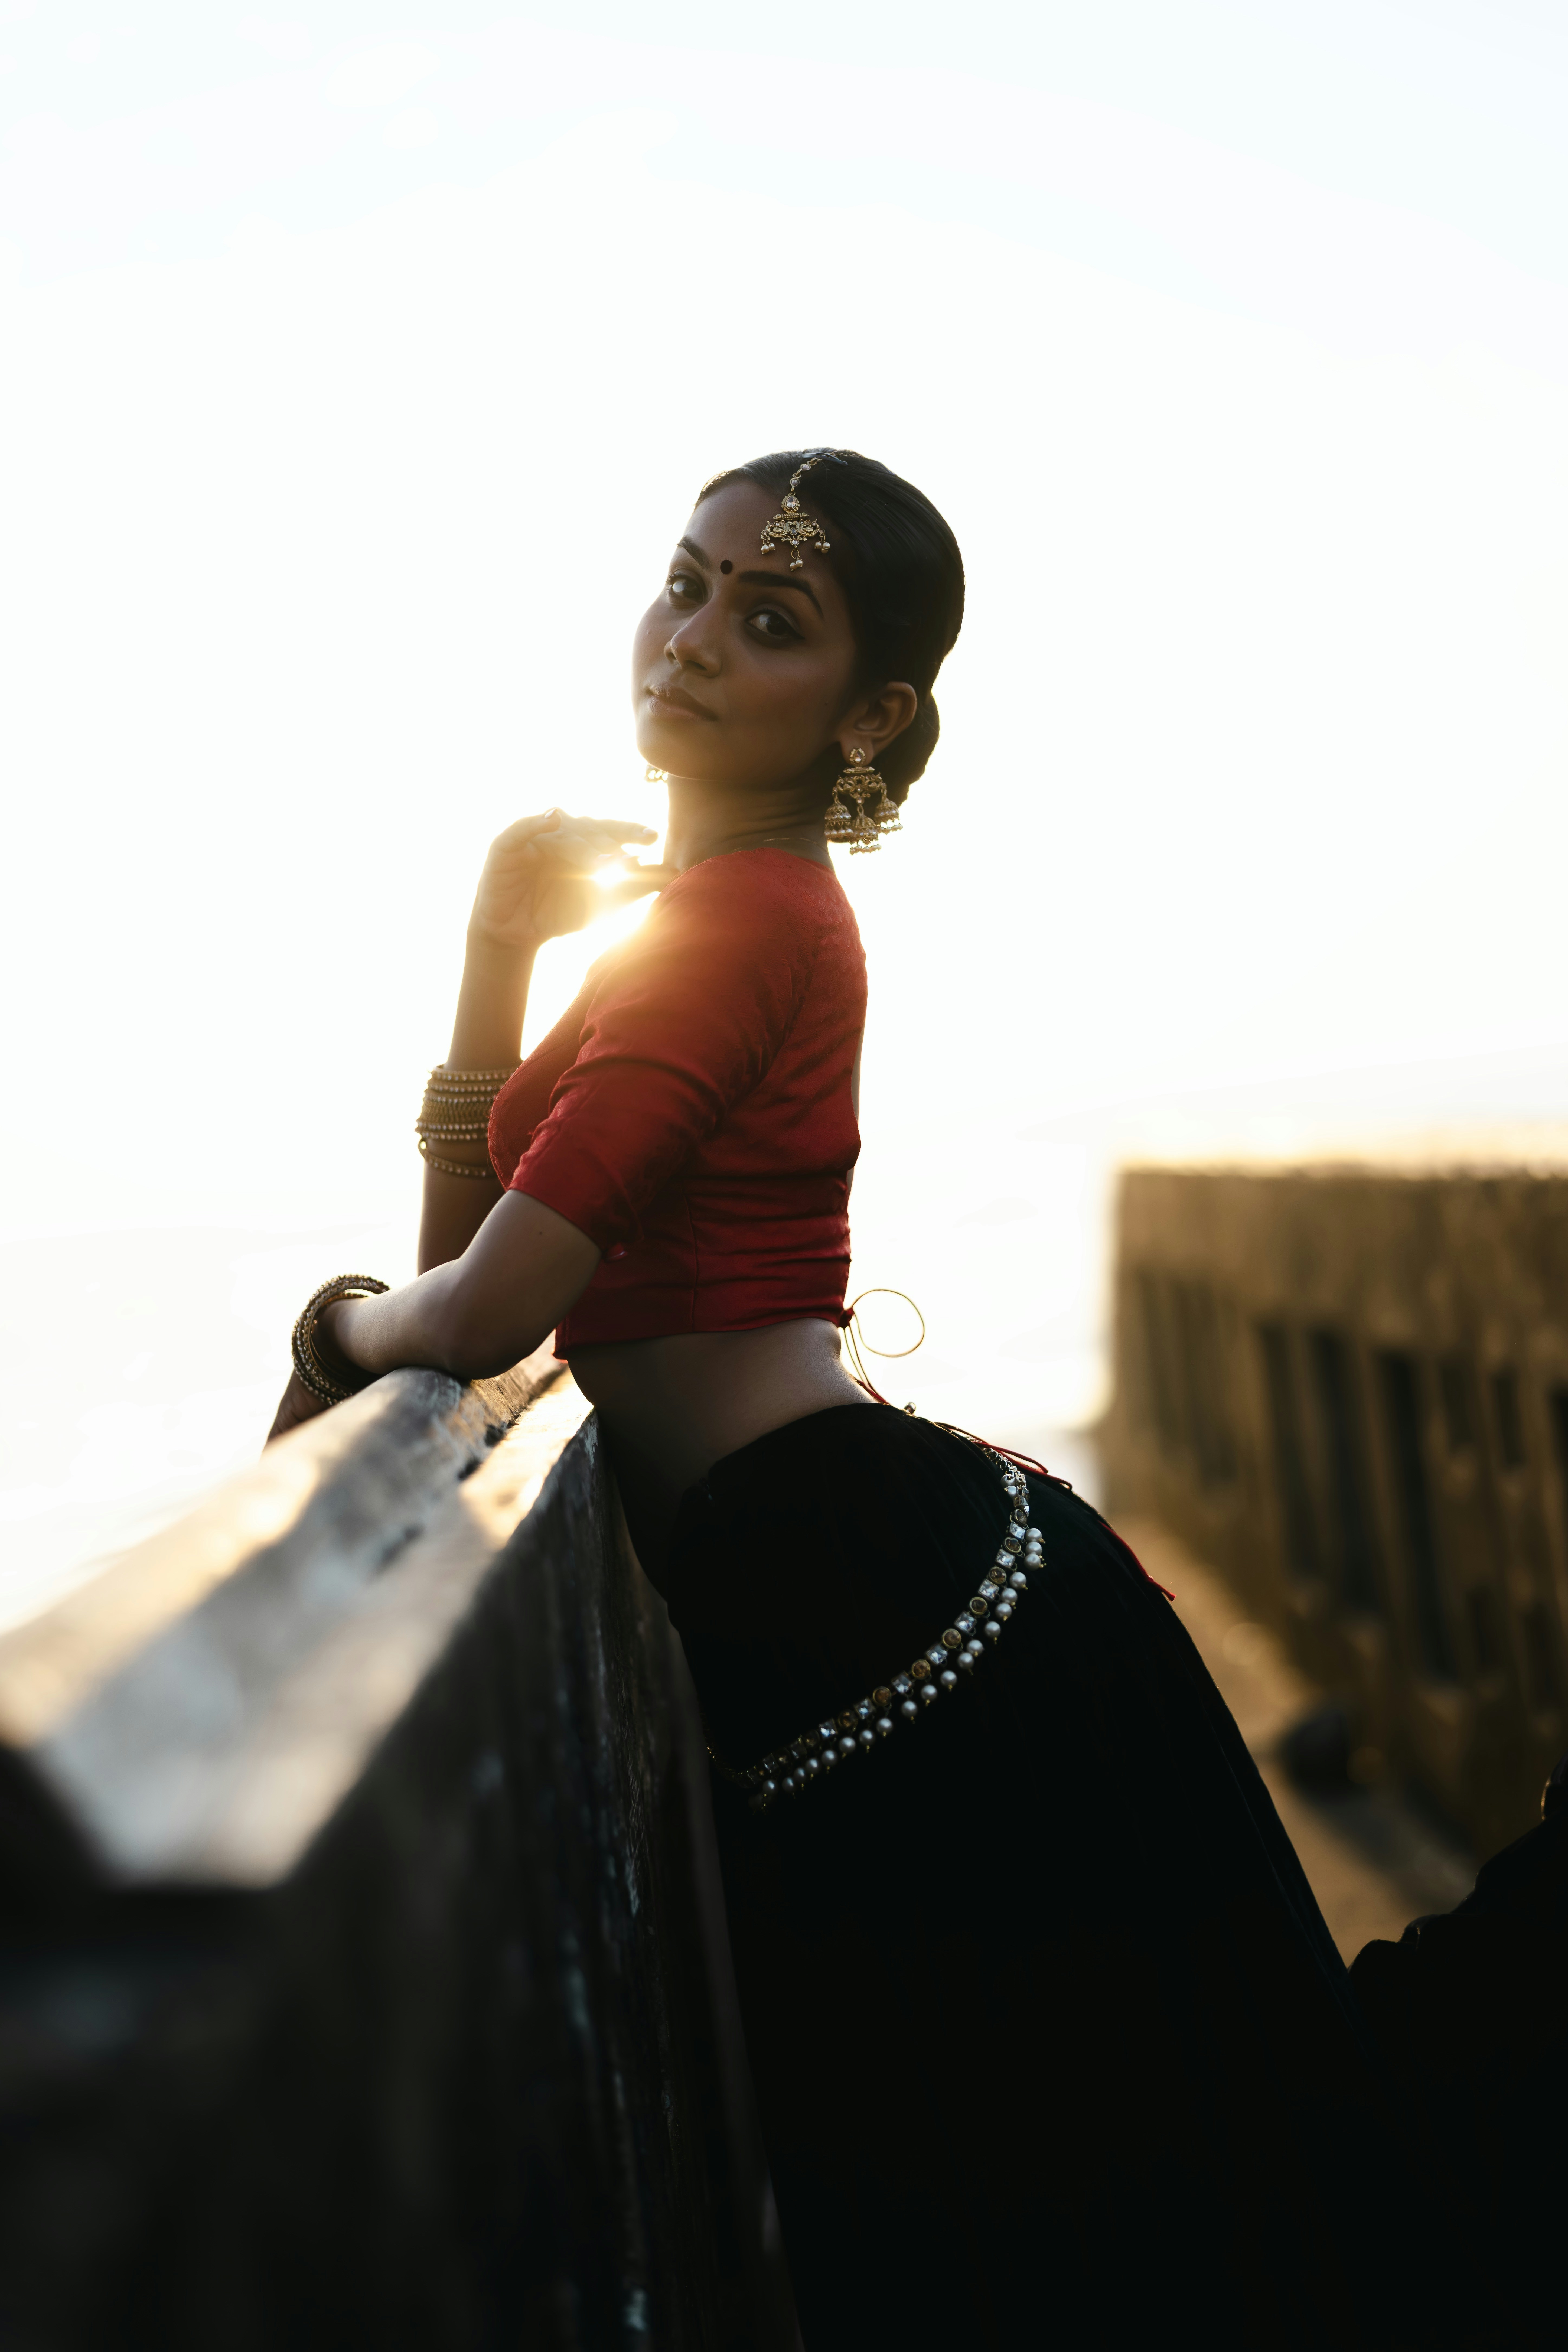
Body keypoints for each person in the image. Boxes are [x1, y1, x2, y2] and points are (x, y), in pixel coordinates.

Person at [267, 451, 1485, 2347]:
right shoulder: (723, 917)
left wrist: (340, 1329)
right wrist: (500, 953)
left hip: (867, 1605)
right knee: (1073, 2161)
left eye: (769, 622)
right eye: (683, 584)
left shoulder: (748, 928)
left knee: (1029, 2172)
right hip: (855, 1580)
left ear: (874, 709)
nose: (689, 640)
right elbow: (494, 1278)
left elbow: (485, 1311)